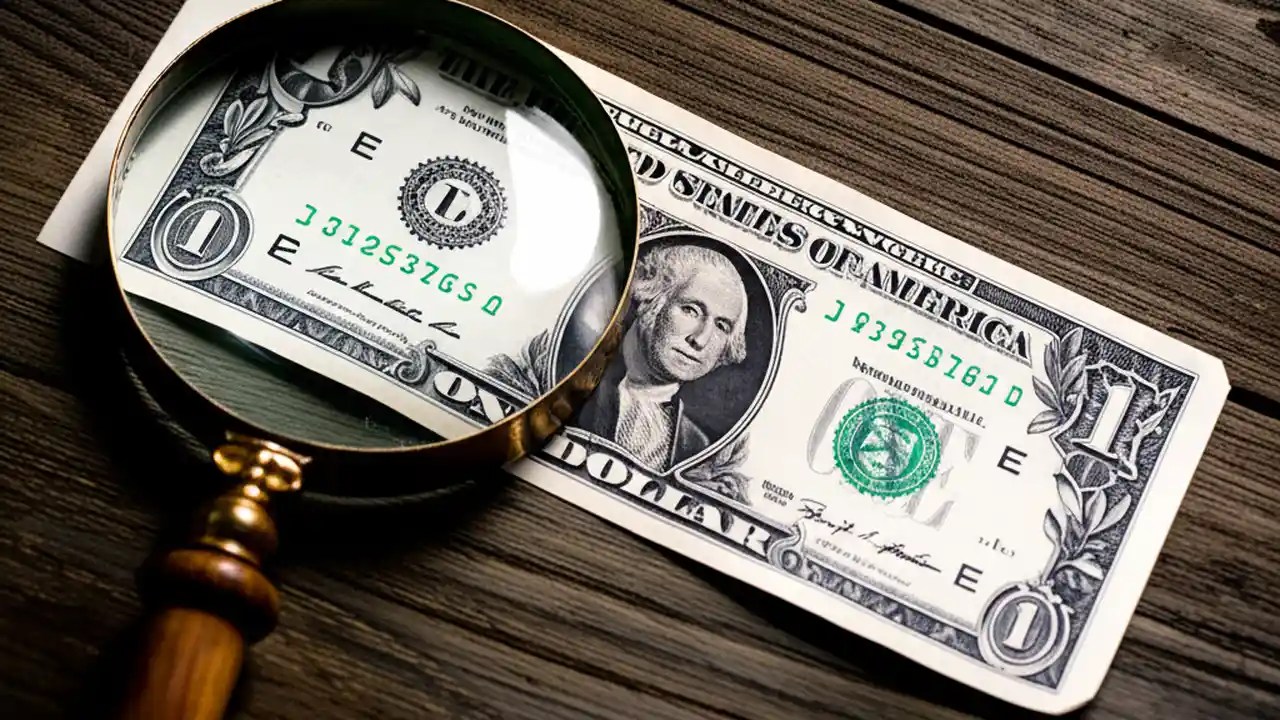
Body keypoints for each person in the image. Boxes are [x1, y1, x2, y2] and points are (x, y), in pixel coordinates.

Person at [576, 243, 749, 470]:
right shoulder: (574, 380)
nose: (700, 340)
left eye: (721, 326)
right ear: (652, 299)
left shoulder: (696, 445)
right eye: (691, 310)